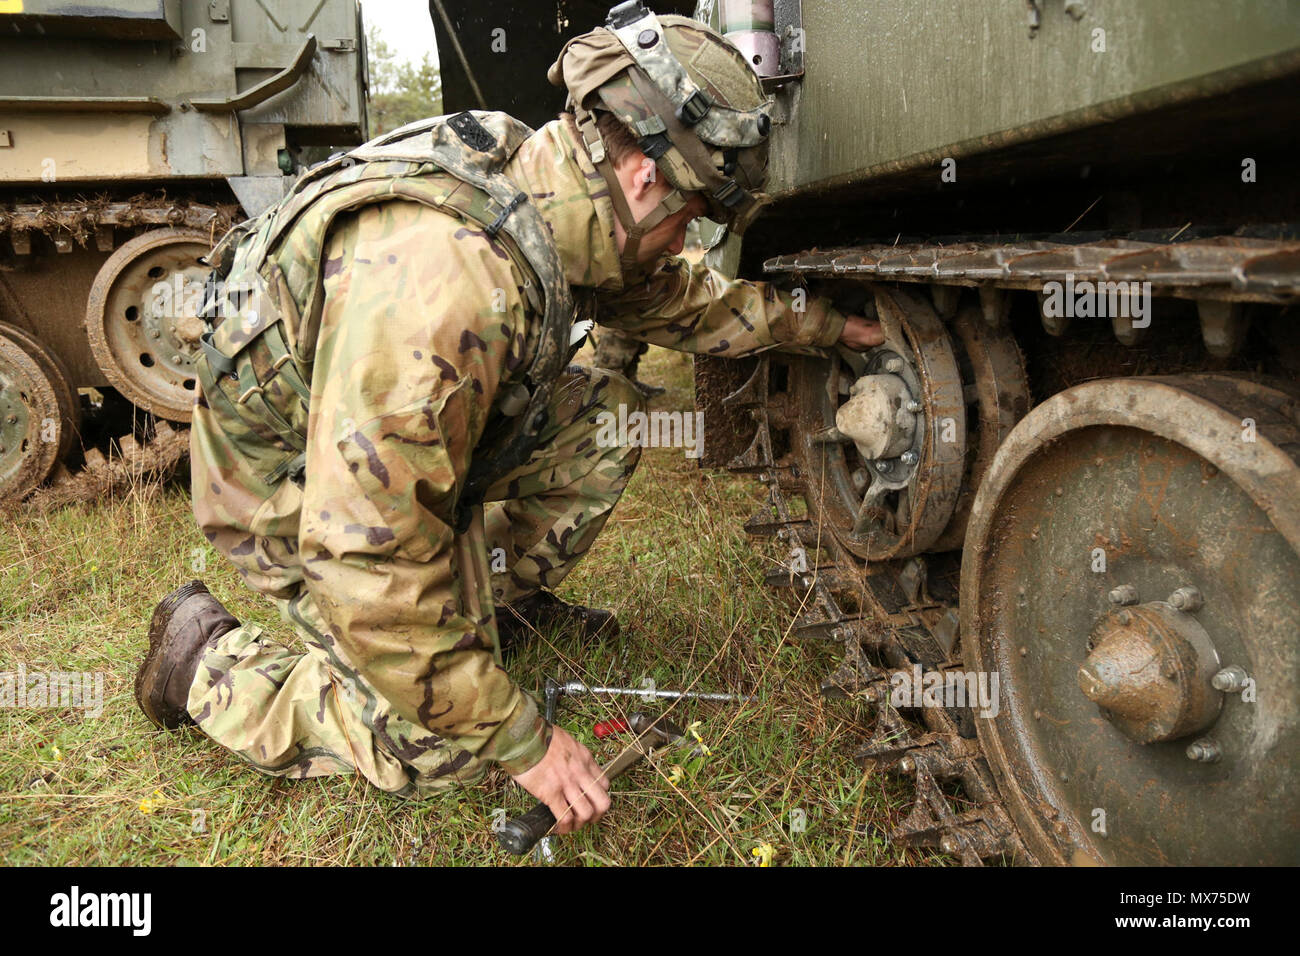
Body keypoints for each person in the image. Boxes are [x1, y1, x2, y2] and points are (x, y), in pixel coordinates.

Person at [134, 3, 883, 837]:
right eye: (693, 217)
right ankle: (203, 662)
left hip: (379, 463)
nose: (685, 242)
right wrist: (522, 740)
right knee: (437, 743)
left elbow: (675, 301)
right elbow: (363, 559)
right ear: (643, 179)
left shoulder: (547, 182)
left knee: (612, 413)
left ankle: (485, 606)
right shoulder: (446, 290)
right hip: (293, 496)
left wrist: (824, 323)